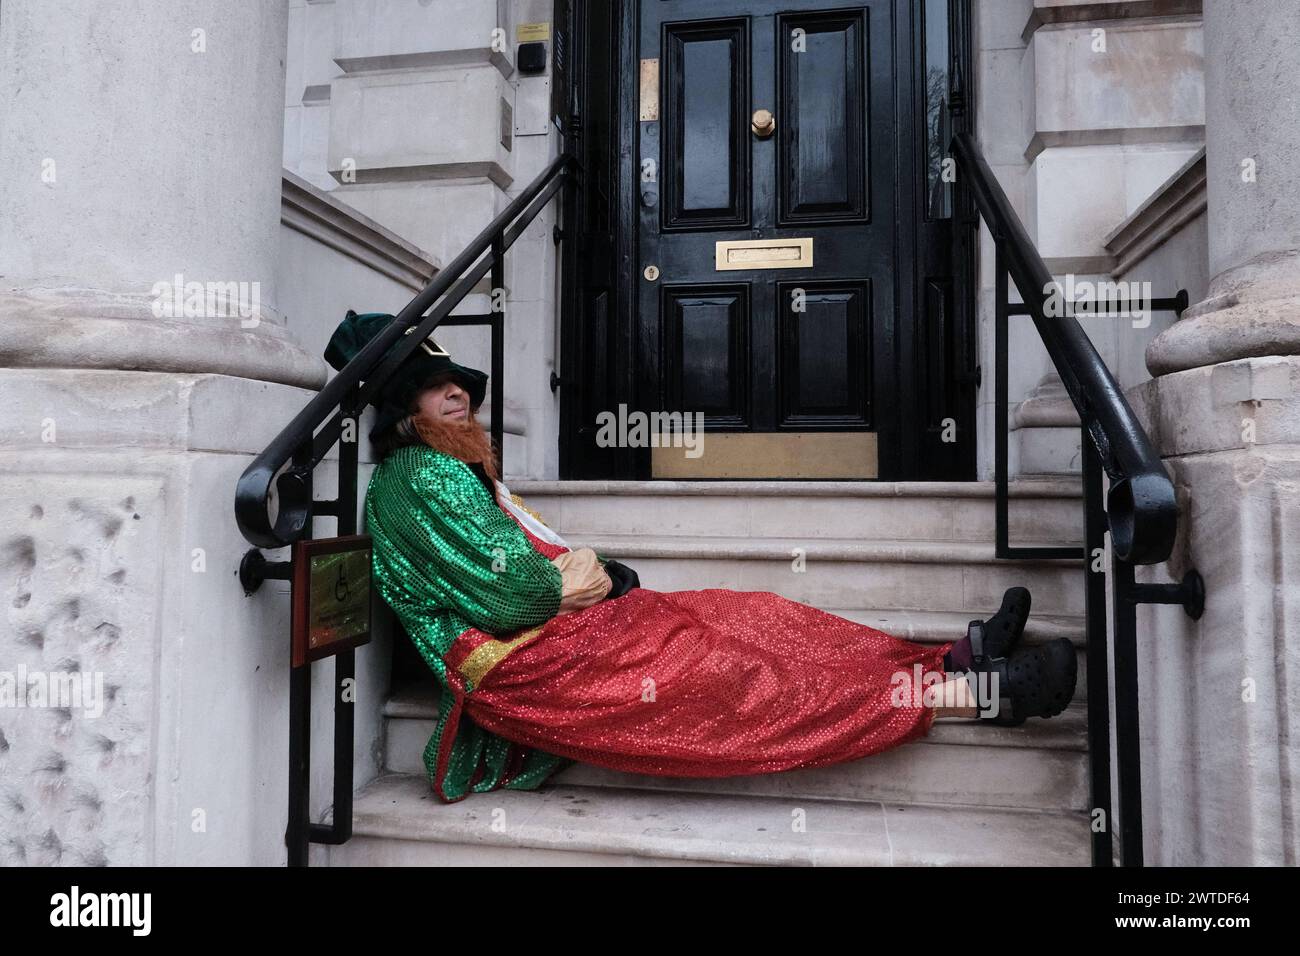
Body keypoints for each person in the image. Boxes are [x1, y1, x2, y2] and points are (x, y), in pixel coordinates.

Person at [325, 311, 1078, 803]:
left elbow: (543, 570)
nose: (455, 393)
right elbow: (519, 593)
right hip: (528, 665)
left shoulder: (456, 468)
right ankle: (985, 693)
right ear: (402, 412)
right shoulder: (418, 478)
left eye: (454, 380)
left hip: (577, 634)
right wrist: (588, 576)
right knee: (747, 678)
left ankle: (950, 656)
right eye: (432, 389)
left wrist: (591, 578)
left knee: (757, 618)